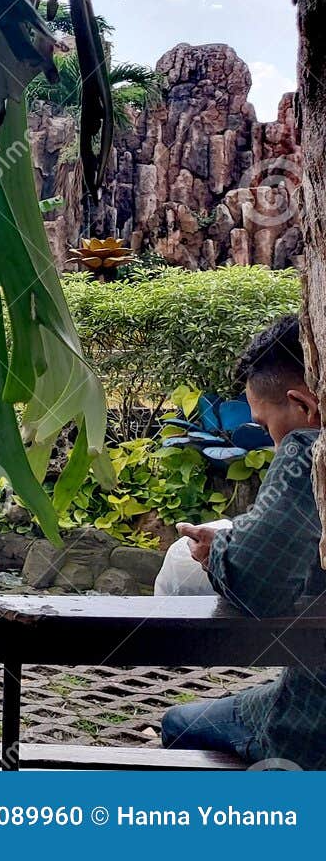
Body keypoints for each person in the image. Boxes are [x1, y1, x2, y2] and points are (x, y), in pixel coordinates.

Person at [161, 315, 324, 768]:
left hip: (314, 720)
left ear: (302, 405)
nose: (271, 441)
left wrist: (216, 553)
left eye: (264, 423)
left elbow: (258, 581)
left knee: (180, 722)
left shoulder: (309, 449)